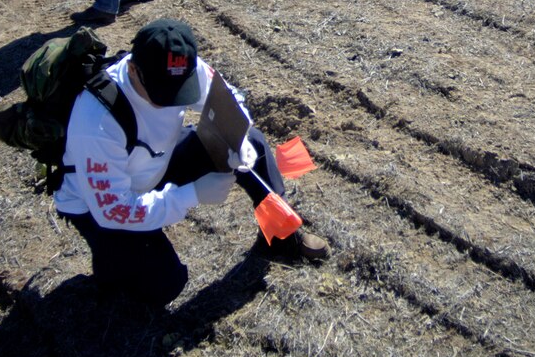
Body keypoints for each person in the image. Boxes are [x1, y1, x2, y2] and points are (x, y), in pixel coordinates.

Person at [54, 18, 329, 309]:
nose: (173, 101)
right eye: (162, 92)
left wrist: (239, 136)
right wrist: (191, 194)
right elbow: (113, 210)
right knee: (164, 285)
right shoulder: (97, 120)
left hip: (156, 162)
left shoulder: (182, 65)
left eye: (180, 89)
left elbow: (227, 97)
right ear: (133, 70)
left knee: (255, 143)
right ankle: (113, 267)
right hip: (99, 205)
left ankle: (281, 236)